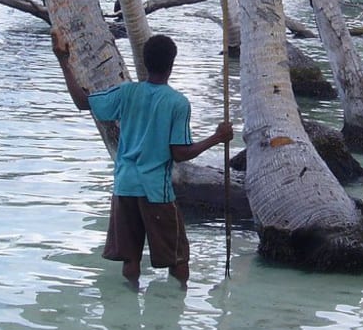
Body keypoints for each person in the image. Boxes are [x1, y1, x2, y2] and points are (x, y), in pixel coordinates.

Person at [54, 33, 233, 288]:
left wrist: (63, 61)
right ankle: (174, 309)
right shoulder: (177, 103)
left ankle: (130, 302)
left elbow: (83, 102)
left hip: (125, 185)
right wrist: (217, 138)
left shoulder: (127, 92)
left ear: (144, 62)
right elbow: (180, 153)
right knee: (178, 258)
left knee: (130, 257)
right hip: (154, 191)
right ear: (172, 64)